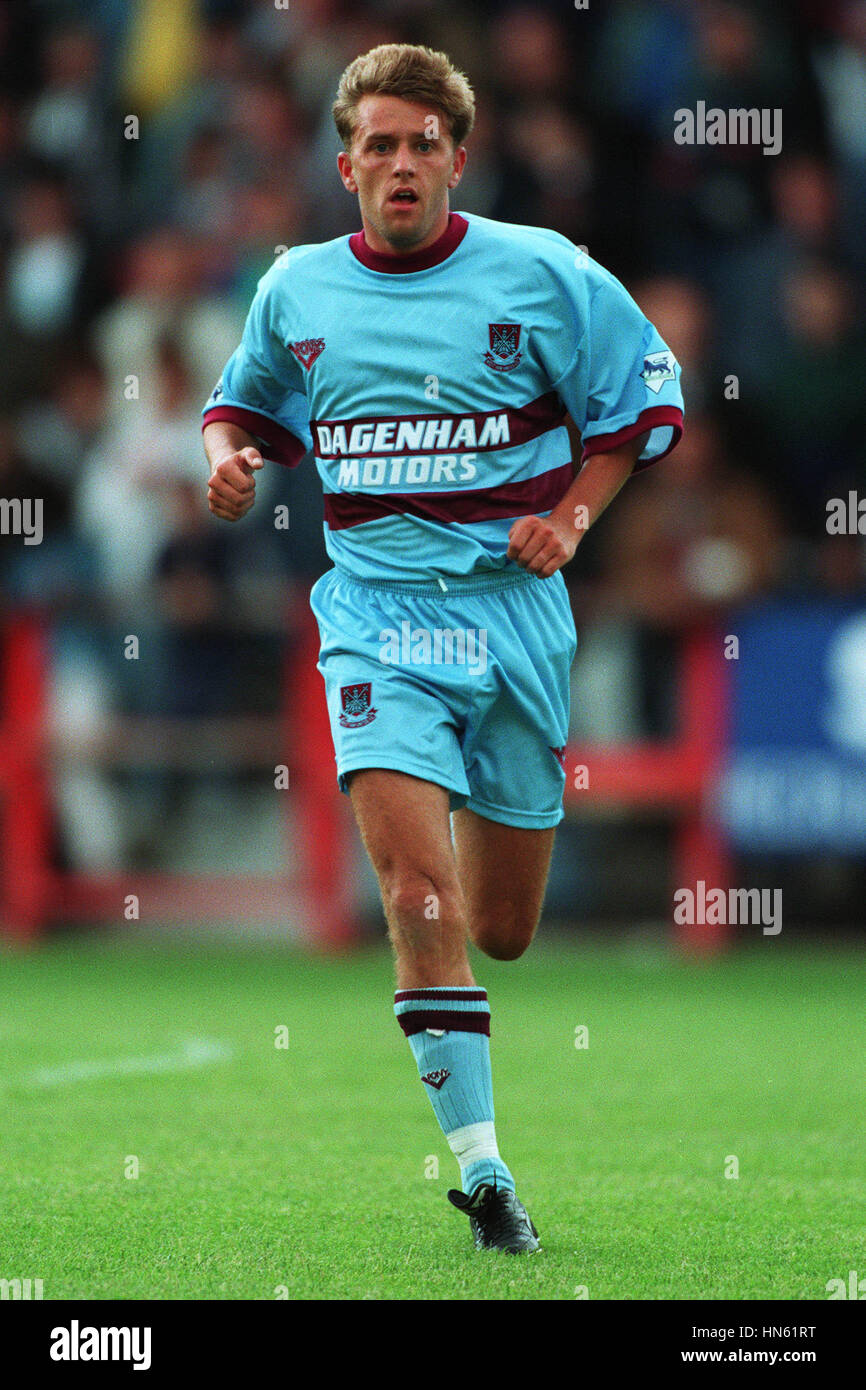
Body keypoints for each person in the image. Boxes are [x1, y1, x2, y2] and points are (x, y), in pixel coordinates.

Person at [202, 43, 684, 1253]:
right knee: (416, 894)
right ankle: (484, 1177)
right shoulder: (296, 289)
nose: (402, 163)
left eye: (424, 143)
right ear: (345, 164)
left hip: (512, 619)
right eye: (380, 143)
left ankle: (457, 949)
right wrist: (225, 456)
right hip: (373, 615)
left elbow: (638, 407)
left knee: (500, 924)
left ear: (458, 159)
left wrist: (568, 519)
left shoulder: (543, 273)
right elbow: (240, 402)